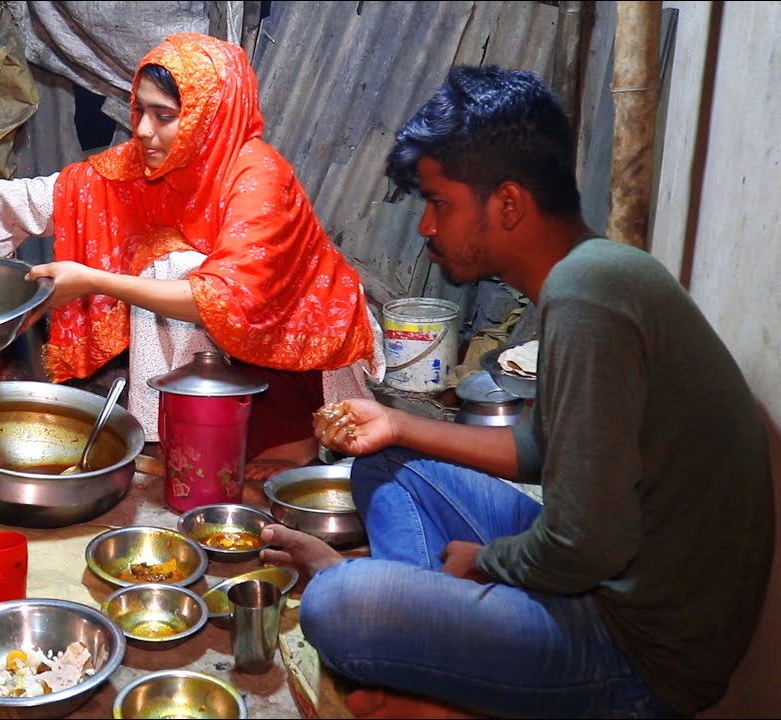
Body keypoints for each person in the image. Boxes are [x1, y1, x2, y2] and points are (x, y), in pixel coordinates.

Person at [261, 65, 774, 719]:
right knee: (386, 464)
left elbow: (587, 544)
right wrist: (397, 426)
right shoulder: (598, 273)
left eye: (440, 203)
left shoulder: (587, 299)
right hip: (604, 578)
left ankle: (417, 655)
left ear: (506, 205)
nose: (425, 227)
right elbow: (541, 447)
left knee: (337, 604)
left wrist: (491, 563)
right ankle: (426, 657)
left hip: (636, 652)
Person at [0, 33, 385, 483]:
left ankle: (286, 441)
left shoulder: (256, 176)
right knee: (171, 266)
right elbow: (39, 198)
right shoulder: (144, 164)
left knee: (175, 268)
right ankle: (182, 439)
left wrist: (98, 281)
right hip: (224, 355)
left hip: (295, 351)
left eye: (165, 116)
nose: (141, 131)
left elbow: (224, 302)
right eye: (140, 110)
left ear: (210, 115)